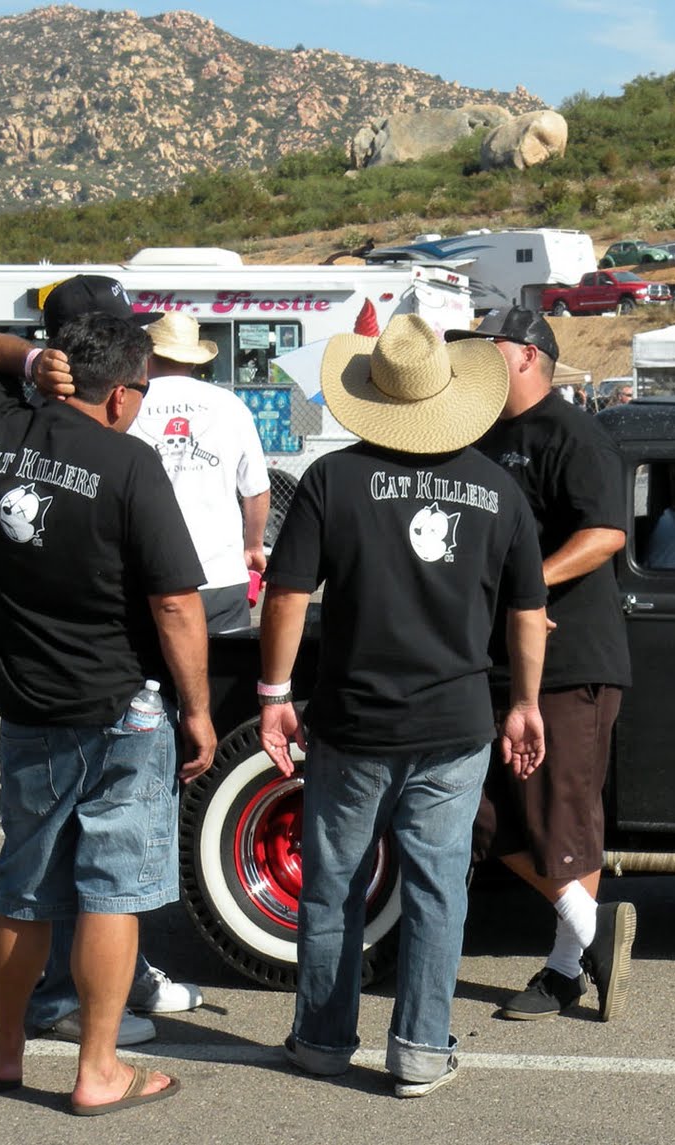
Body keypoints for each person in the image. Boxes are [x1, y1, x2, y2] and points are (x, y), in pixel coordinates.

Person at [259, 315, 548, 1098]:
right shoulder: (498, 489)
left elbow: (287, 592)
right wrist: (525, 701)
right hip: (455, 725)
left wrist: (274, 693)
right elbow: (527, 610)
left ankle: (321, 1040)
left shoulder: (333, 479)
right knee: (435, 888)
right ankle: (420, 1048)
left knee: (334, 887)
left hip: (354, 720)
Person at [0, 305, 213, 1115]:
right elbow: (176, 603)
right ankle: (98, 1069)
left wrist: (30, 361)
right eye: (141, 389)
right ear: (118, 395)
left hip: (28, 701)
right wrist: (200, 708)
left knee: (23, 885)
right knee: (111, 890)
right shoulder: (130, 463)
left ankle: (4, 1053)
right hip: (119, 704)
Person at [451, 306, 636, 1022]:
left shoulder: (574, 432)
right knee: (483, 817)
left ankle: (566, 969)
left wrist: (529, 584)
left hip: (570, 658)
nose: (473, 360)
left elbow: (606, 533)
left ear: (528, 355)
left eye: (485, 347)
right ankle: (595, 935)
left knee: (561, 816)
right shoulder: (482, 433)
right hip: (495, 658)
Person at [128, 313, 269, 633]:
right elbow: (256, 489)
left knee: (150, 674)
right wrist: (252, 546)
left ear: (148, 355)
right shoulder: (229, 404)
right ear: (194, 358)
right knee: (220, 670)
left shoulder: (128, 404)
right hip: (221, 573)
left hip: (147, 575)